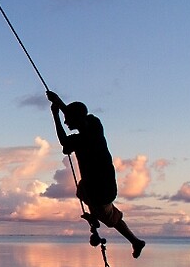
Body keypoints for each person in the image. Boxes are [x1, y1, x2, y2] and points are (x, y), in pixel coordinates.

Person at [47, 91, 146, 258]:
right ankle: (98, 219)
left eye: (67, 119)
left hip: (101, 189)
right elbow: (76, 118)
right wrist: (59, 102)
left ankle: (133, 240)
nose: (65, 122)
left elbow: (64, 141)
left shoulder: (84, 137)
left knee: (110, 218)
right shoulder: (95, 126)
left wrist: (55, 114)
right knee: (83, 191)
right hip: (99, 186)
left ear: (76, 119)